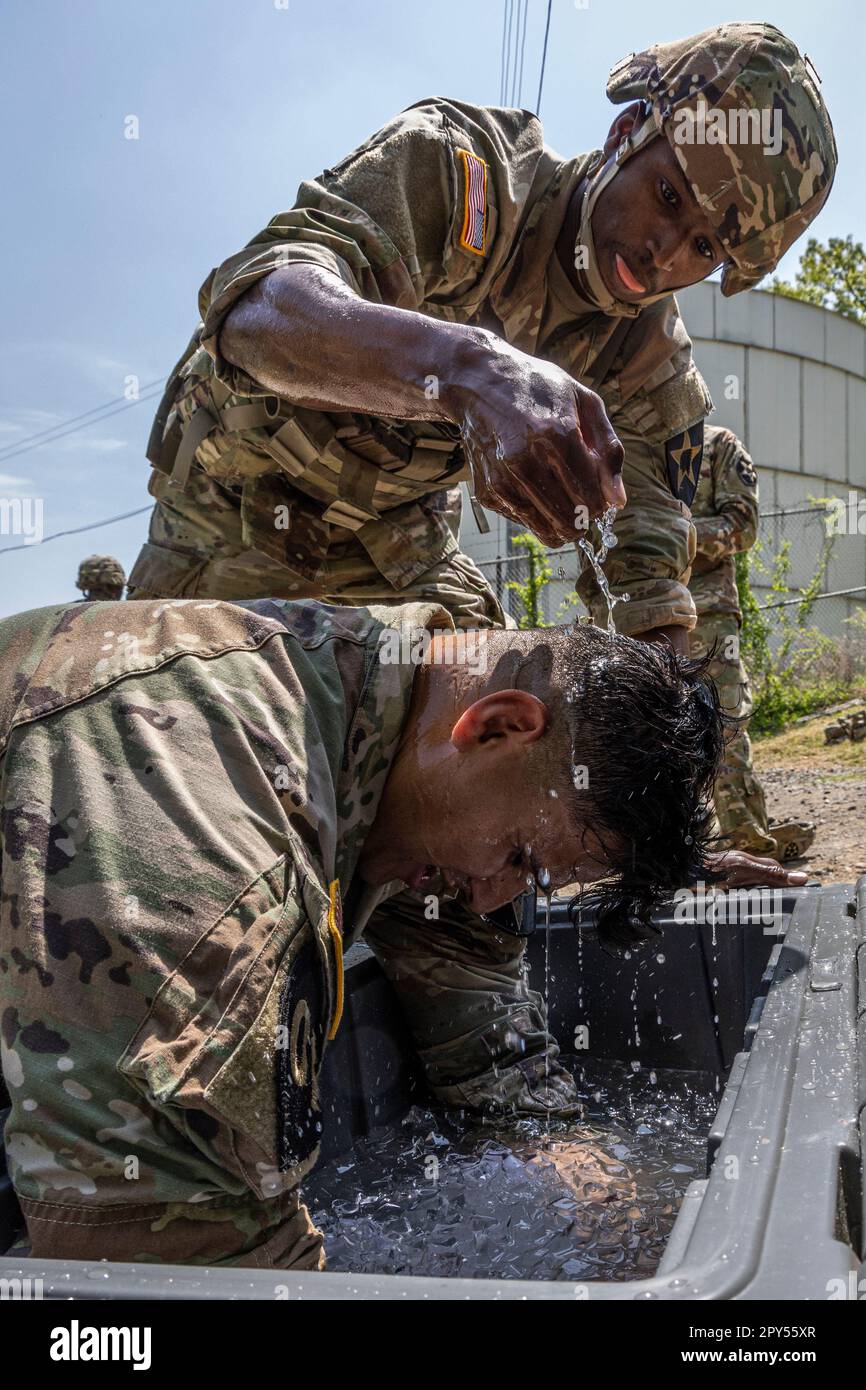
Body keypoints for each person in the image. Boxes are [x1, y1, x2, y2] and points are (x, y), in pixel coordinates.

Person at [123, 20, 835, 1116]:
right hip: (225, 564)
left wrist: (670, 839)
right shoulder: (462, 176)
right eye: (666, 198)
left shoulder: (644, 361)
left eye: (703, 248)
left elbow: (661, 622)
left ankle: (506, 1107)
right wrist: (465, 367)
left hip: (396, 582)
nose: (664, 252)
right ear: (627, 131)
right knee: (203, 900)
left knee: (492, 820)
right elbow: (259, 304)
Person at [0, 595, 805, 1267]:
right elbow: (170, 1268)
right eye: (521, 858)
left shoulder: (395, 717)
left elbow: (470, 981)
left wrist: (575, 1179)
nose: (496, 898)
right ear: (496, 725)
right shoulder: (200, 865)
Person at [689, 425, 815, 861]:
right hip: (635, 614)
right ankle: (666, 854)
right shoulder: (628, 451)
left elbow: (742, 528)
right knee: (647, 737)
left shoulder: (716, 445)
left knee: (725, 728)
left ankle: (748, 845)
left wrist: (676, 534)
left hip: (706, 615)